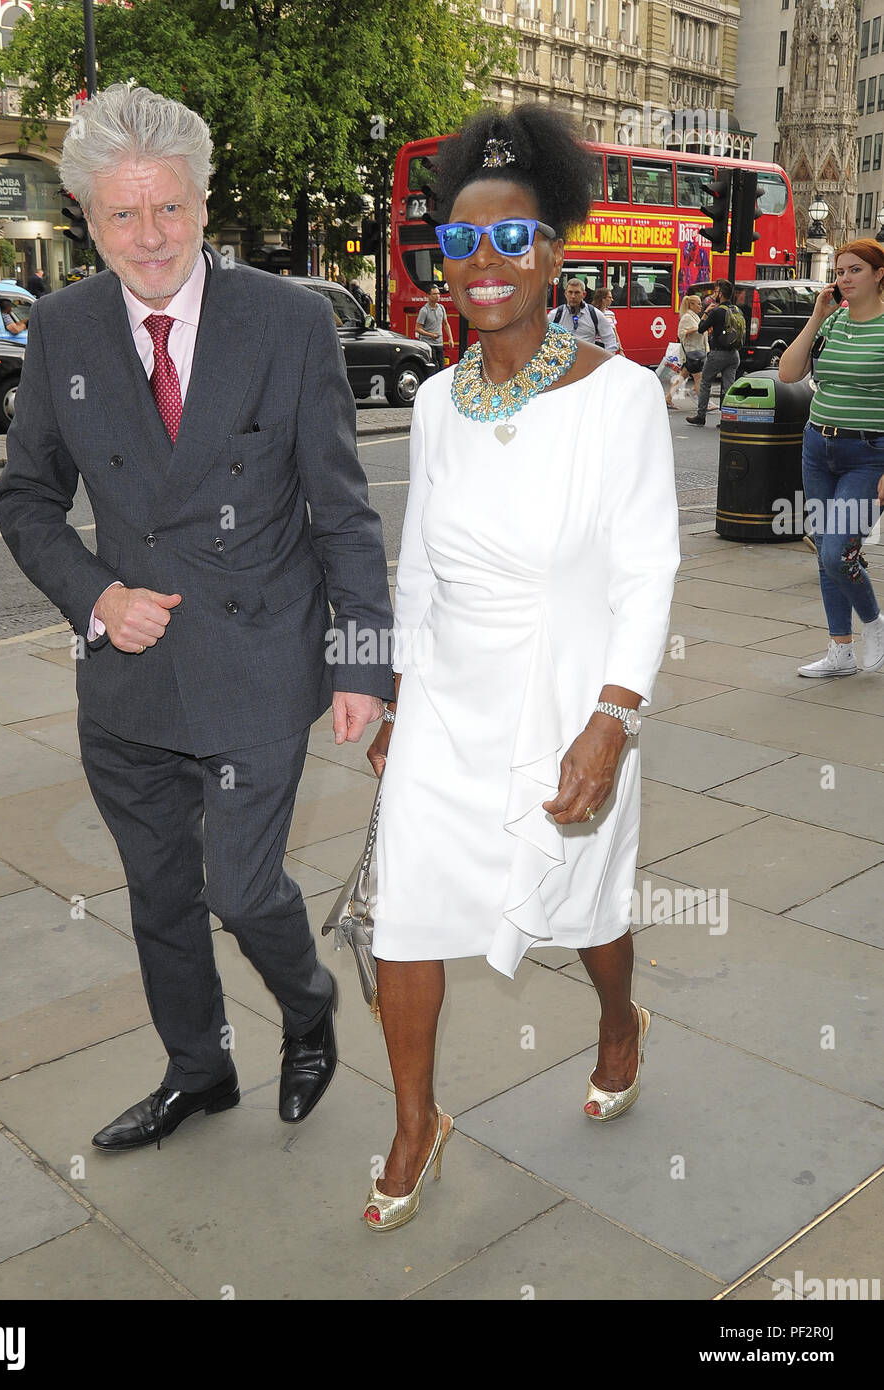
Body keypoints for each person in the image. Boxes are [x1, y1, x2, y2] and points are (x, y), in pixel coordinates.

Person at [0, 84, 394, 1152]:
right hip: (126, 673)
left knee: (241, 884)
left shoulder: (289, 321)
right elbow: (25, 498)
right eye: (121, 214)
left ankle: (306, 1004)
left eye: (167, 207)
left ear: (202, 203)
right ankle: (197, 1066)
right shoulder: (63, 326)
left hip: (258, 658)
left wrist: (363, 662)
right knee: (161, 890)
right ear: (86, 217)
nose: (149, 236)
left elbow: (341, 510)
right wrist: (95, 597)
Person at [362, 105, 680, 1232]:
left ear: (551, 252)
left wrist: (612, 717)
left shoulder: (621, 396)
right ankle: (414, 1122)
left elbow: (647, 568)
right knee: (402, 908)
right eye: (460, 244)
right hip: (449, 698)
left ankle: (618, 1019)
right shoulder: (436, 404)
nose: (483, 263)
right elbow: (416, 569)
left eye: (510, 240)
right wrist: (397, 697)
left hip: (564, 690)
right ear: (440, 262)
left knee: (580, 902)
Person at [778, 239, 884, 676]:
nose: (844, 278)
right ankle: (840, 649)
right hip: (817, 445)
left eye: (855, 270)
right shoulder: (833, 320)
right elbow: (788, 373)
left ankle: (874, 623)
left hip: (868, 453)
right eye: (840, 271)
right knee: (825, 547)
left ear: (879, 274)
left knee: (837, 552)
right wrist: (816, 316)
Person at [685, 279, 739, 426]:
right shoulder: (735, 309)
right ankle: (728, 419)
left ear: (721, 294)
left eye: (716, 291)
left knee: (705, 382)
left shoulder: (717, 311)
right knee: (729, 386)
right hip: (734, 354)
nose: (715, 294)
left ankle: (701, 416)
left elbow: (701, 328)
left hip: (718, 353)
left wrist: (706, 313)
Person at [550, 276, 619, 352]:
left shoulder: (595, 314)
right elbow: (540, 338)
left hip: (588, 362)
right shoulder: (555, 315)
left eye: (577, 293)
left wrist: (608, 359)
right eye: (570, 292)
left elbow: (610, 338)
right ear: (565, 294)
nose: (573, 296)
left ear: (584, 294)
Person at [665, 292, 705, 409]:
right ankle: (703, 404)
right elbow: (681, 333)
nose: (700, 306)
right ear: (691, 305)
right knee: (699, 377)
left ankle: (668, 398)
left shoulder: (695, 316)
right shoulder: (687, 317)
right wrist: (697, 328)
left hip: (695, 352)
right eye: (698, 304)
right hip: (691, 352)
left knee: (682, 376)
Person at [415, 283, 455, 369]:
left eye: (438, 294)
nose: (437, 296)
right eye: (434, 294)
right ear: (428, 295)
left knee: (441, 366)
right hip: (428, 343)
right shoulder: (424, 310)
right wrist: (431, 335)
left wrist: (450, 338)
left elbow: (445, 323)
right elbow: (418, 328)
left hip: (439, 343)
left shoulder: (441, 308)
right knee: (434, 367)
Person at [591, 285, 624, 355]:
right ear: (603, 299)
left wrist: (621, 350)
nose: (612, 300)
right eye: (609, 297)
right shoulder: (591, 313)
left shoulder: (611, 314)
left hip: (609, 350)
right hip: (596, 349)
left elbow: (615, 333)